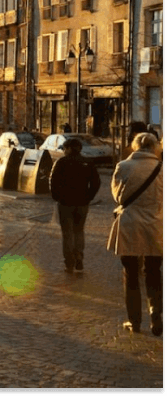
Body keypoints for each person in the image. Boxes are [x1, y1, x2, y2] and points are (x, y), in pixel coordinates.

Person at [108, 132, 163, 335]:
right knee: (154, 272)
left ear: (135, 146)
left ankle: (134, 320)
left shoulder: (123, 166)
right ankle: (156, 315)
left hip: (130, 225)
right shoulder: (161, 169)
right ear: (155, 147)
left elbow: (117, 196)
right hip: (157, 226)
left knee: (130, 274)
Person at [49, 137, 101, 273]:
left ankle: (69, 263)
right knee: (79, 231)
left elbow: (52, 182)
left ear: (68, 149)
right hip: (82, 202)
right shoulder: (87, 162)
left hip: (65, 203)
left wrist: (57, 197)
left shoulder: (61, 162)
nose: (64, 151)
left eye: (64, 148)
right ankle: (79, 256)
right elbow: (96, 182)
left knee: (67, 233)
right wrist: (89, 197)